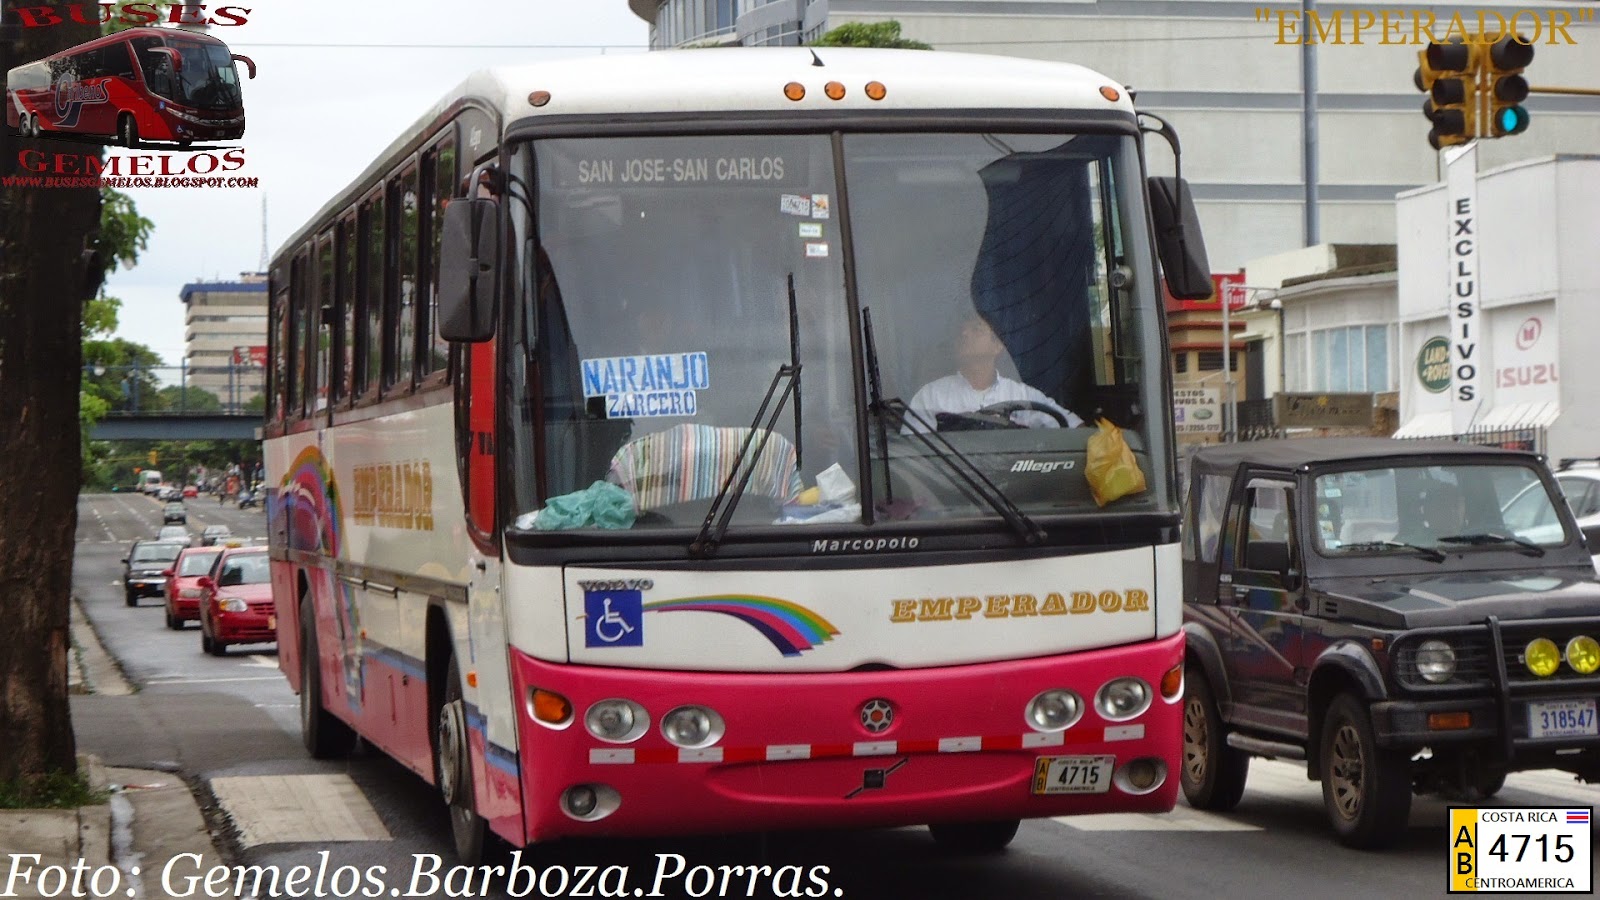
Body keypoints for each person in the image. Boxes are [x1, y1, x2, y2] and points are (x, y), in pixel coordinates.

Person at [904, 313, 1083, 433]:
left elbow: (1075, 430)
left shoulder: (1022, 394)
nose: (965, 334)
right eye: (961, 331)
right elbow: (914, 460)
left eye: (976, 329)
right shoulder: (930, 397)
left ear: (997, 346)